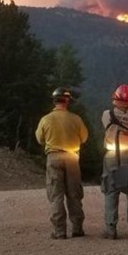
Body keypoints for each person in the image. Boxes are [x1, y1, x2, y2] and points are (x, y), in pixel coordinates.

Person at [34, 87, 89, 240]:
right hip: (72, 158)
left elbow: (39, 139)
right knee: (74, 194)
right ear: (67, 101)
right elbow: (84, 138)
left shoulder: (46, 119)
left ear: (54, 101)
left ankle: (59, 231)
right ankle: (77, 229)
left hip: (53, 157)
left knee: (56, 195)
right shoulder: (76, 119)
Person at [101, 84, 128, 239]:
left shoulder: (108, 114)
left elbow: (105, 125)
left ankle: (110, 229)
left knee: (111, 191)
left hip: (112, 157)